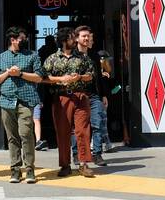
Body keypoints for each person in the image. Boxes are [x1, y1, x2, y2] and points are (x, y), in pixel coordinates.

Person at [0, 26, 45, 184]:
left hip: (26, 101)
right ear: (13, 40)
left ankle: (29, 169)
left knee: (26, 134)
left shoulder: (32, 56)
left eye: (25, 38)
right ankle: (15, 169)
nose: (24, 40)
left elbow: (39, 77)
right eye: (21, 38)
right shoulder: (1, 57)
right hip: (6, 101)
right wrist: (8, 73)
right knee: (12, 137)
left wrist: (20, 74)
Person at [44, 27, 96, 178]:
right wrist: (61, 79)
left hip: (81, 97)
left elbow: (91, 75)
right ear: (64, 40)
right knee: (63, 132)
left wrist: (79, 77)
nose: (75, 40)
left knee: (82, 130)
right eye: (72, 37)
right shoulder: (52, 58)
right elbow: (43, 78)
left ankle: (83, 164)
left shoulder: (82, 57)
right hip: (61, 98)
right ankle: (65, 165)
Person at [74, 25, 113, 166]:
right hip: (78, 96)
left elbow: (99, 77)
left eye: (88, 36)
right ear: (77, 38)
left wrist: (103, 95)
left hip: (94, 96)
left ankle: (97, 154)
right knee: (78, 128)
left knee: (97, 125)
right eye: (84, 36)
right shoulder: (72, 55)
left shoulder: (94, 56)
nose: (86, 38)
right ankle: (76, 154)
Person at [34, 34, 59, 152]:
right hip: (52, 85)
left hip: (44, 85)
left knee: (43, 114)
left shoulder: (41, 52)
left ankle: (46, 138)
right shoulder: (54, 53)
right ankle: (54, 138)